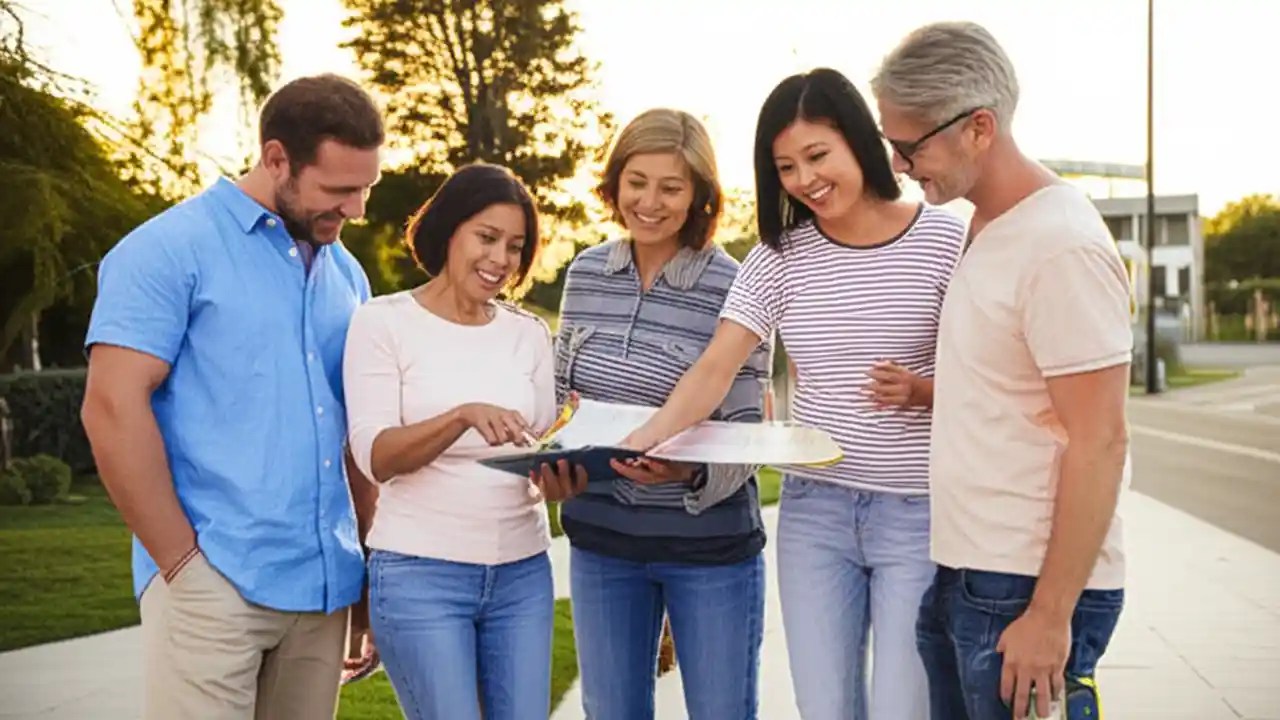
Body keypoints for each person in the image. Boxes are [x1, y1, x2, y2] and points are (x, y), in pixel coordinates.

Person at [622, 70, 967, 719]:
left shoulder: (946, 240)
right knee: (827, 708)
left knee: (903, 706)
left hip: (919, 513)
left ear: (859, 142)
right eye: (785, 166)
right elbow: (714, 368)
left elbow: (995, 378)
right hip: (817, 515)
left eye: (817, 156)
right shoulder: (780, 255)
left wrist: (924, 391)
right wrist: (647, 435)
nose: (805, 178)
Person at [80, 73, 384, 719]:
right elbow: (111, 408)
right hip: (212, 585)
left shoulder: (348, 276)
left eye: (366, 188)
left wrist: (366, 580)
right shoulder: (167, 251)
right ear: (276, 159)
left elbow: (356, 433)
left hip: (324, 589)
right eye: (338, 189)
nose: (356, 208)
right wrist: (182, 567)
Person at [871, 21, 1133, 720]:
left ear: (978, 127)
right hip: (970, 567)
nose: (899, 164)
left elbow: (1101, 440)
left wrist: (1051, 616)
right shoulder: (986, 227)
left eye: (909, 145)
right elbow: (1008, 393)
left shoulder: (1059, 246)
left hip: (1023, 587)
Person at [547, 108, 771, 719]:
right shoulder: (587, 273)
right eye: (636, 181)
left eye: (671, 187)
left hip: (709, 550)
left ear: (699, 195)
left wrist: (685, 473)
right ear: (615, 182)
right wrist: (555, 464)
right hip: (601, 544)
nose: (649, 202)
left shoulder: (738, 284)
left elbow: (748, 431)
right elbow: (562, 402)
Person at [342, 162, 583, 720]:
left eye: (516, 246)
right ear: (449, 229)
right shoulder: (383, 324)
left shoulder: (527, 335)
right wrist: (461, 417)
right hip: (420, 572)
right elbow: (375, 457)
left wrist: (564, 477)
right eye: (487, 237)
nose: (500, 259)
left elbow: (538, 453)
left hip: (522, 573)